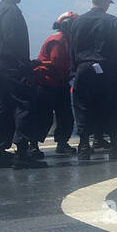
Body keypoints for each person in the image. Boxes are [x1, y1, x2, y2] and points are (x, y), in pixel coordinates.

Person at [0, 0, 46, 169]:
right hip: (12, 66)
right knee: (24, 105)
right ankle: (22, 152)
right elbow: (14, 42)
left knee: (2, 107)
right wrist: (24, 68)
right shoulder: (12, 12)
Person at [68, 0, 117, 161]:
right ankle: (114, 146)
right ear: (105, 2)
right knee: (111, 106)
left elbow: (72, 49)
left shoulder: (78, 22)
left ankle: (83, 146)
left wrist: (75, 71)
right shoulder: (112, 21)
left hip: (83, 69)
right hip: (106, 70)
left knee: (83, 107)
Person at [34, 12, 78, 156]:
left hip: (59, 83)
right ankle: (32, 145)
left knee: (65, 116)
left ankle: (62, 143)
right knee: (43, 117)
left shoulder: (67, 40)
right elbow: (57, 63)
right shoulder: (58, 41)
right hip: (48, 83)